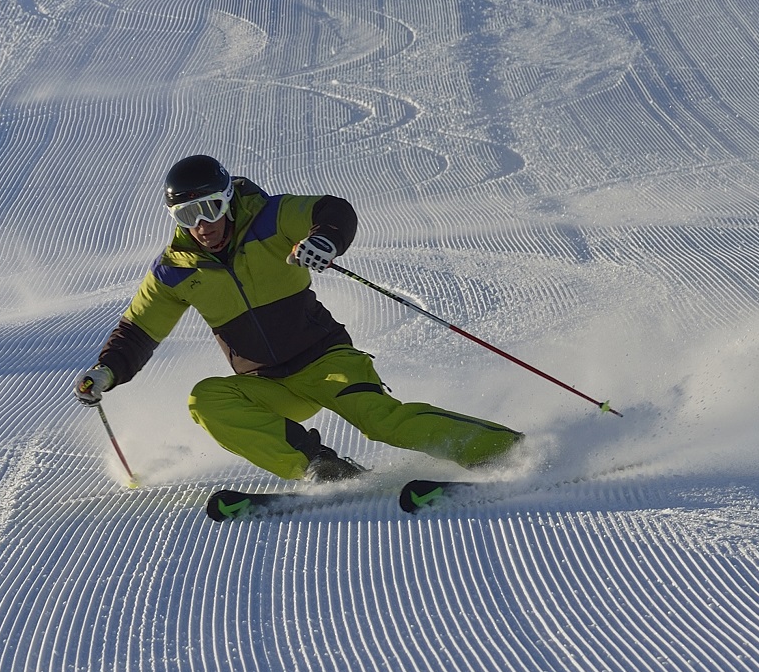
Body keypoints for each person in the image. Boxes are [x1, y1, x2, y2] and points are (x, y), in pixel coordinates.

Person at [72, 155, 522, 483]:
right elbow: (138, 330)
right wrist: (106, 370)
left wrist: (325, 240)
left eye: (210, 208)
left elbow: (333, 211)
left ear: (228, 200)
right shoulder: (175, 270)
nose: (202, 225)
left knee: (382, 421)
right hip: (270, 385)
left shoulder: (268, 218)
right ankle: (320, 467)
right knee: (205, 400)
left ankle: (504, 449)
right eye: (187, 215)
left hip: (325, 361)